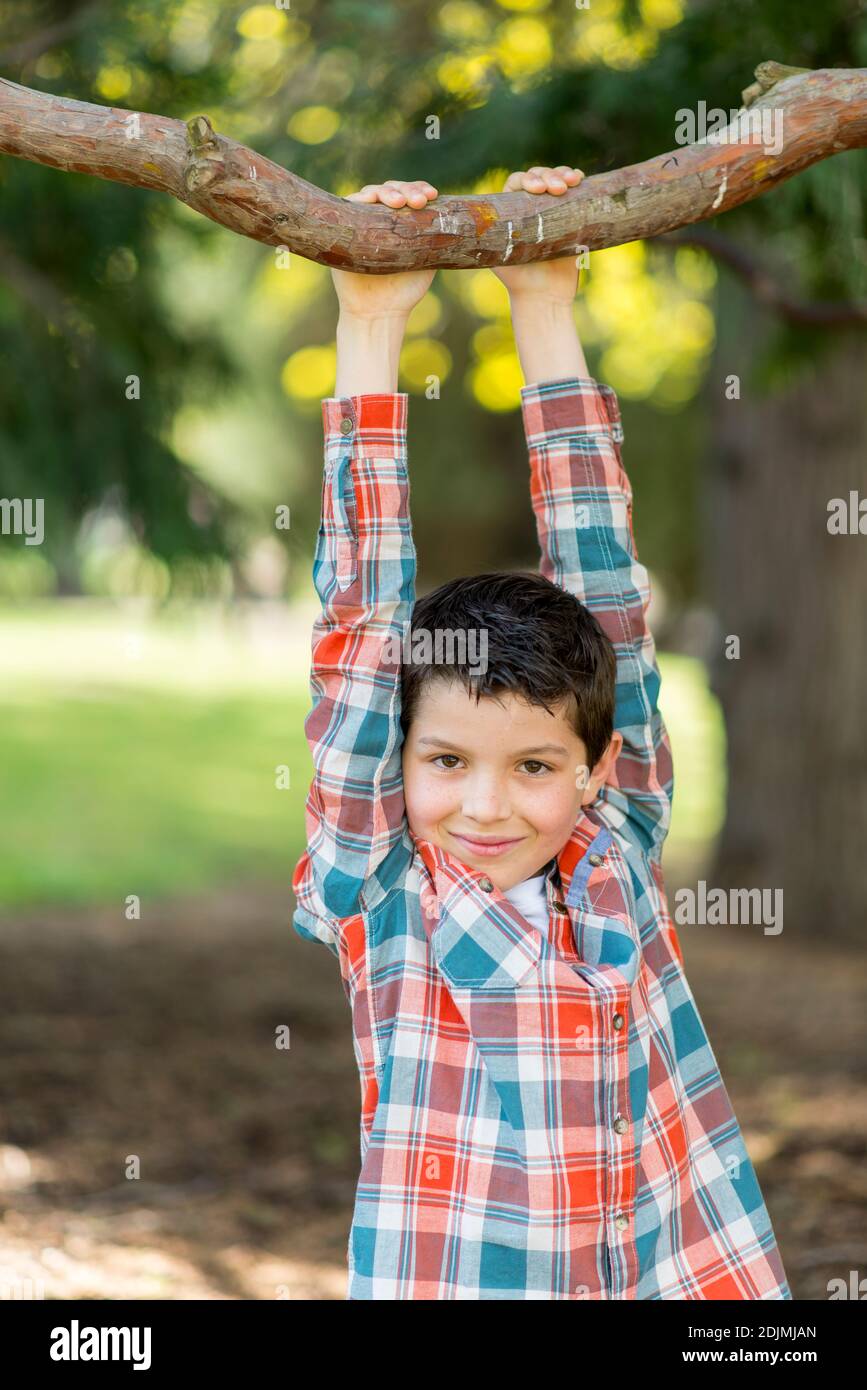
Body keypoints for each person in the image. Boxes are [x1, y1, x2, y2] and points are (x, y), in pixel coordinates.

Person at [292, 165, 791, 1300]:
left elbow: (605, 584)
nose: (483, 805)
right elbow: (361, 624)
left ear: (598, 768)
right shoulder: (381, 889)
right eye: (447, 760)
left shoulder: (614, 845)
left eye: (533, 767)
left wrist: (543, 302)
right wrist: (369, 323)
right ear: (395, 757)